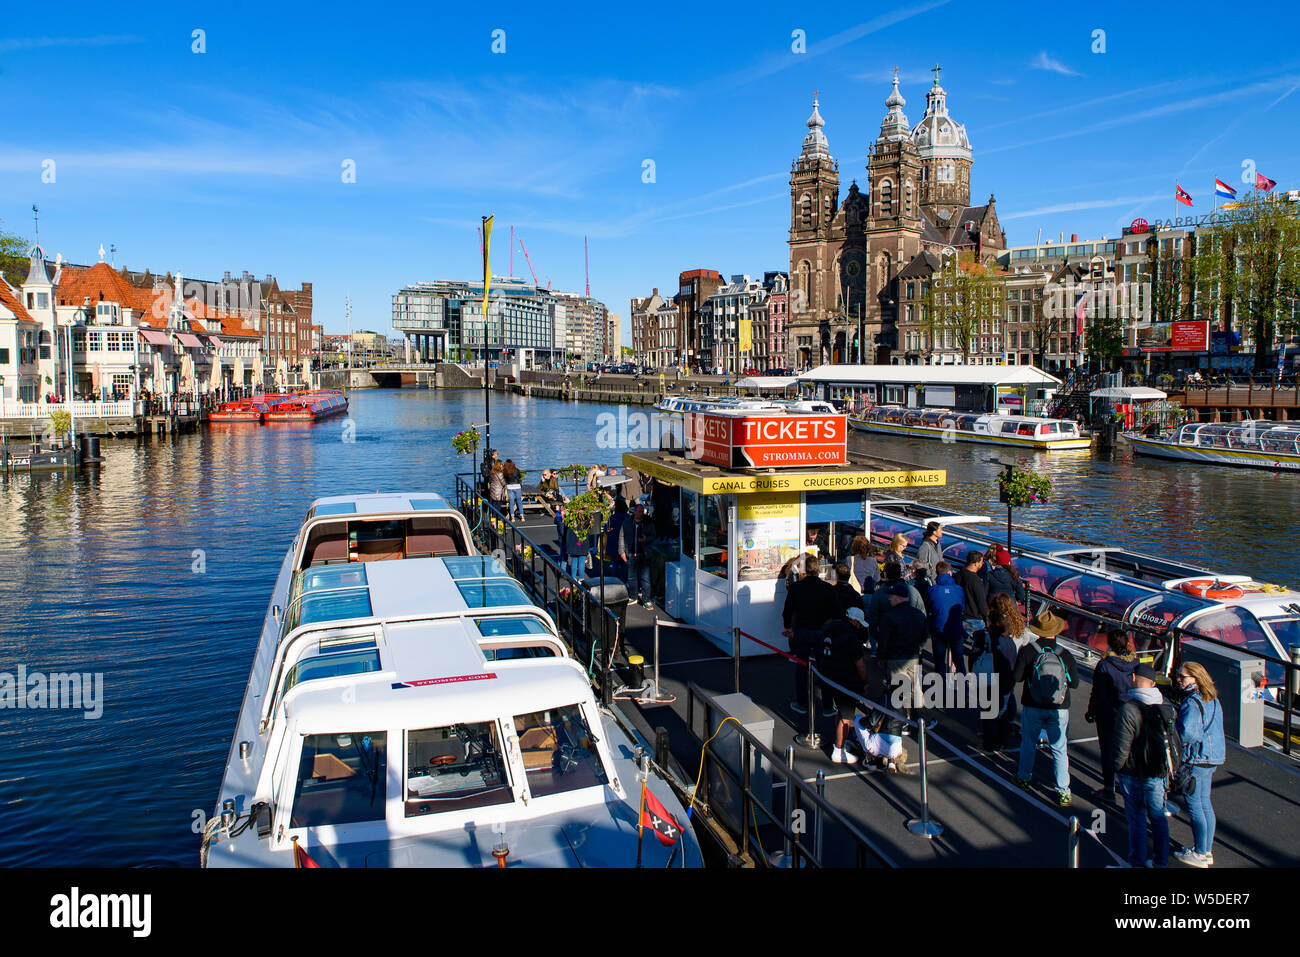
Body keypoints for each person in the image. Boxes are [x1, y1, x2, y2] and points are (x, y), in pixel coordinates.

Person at [1112, 663, 1177, 868]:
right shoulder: (1166, 706)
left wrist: (1116, 767)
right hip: (1157, 772)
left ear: (1133, 677)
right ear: (1153, 683)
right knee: (1158, 817)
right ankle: (1160, 862)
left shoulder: (1128, 708)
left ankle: (1137, 863)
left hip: (1132, 772)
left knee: (1137, 819)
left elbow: (1121, 747)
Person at [1013, 610, 1080, 807]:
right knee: (1059, 748)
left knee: (1028, 743)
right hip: (1059, 706)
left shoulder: (1028, 650)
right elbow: (1074, 683)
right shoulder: (1064, 654)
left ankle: (1024, 778)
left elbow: (1017, 677)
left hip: (1033, 704)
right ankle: (1063, 790)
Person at [870, 580, 929, 772]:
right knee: (912, 692)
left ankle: (897, 729)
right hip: (913, 658)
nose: (889, 598)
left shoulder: (889, 617)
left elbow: (883, 642)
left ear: (899, 598)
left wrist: (881, 658)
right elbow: (924, 636)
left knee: (896, 697)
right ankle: (916, 721)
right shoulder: (918, 615)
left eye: (892, 596)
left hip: (896, 660)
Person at [1172, 661, 1225, 868]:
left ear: (1194, 678)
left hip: (1196, 758)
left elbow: (1188, 733)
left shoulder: (1192, 702)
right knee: (1205, 803)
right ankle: (1206, 850)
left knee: (1195, 806)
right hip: (1212, 757)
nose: (1178, 679)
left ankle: (1200, 853)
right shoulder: (1211, 697)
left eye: (1182, 677)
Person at [1084, 629, 1138, 801]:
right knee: (1128, 750)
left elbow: (1097, 692)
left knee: (1108, 750)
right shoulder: (1135, 663)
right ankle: (1127, 786)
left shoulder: (1105, 665)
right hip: (1129, 711)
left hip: (1108, 712)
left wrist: (1091, 711)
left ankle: (1109, 788)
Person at [781, 554, 837, 716]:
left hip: (803, 632)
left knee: (801, 668)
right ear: (818, 569)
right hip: (822, 633)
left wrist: (788, 627)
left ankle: (802, 703)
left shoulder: (796, 588)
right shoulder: (828, 588)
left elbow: (787, 611)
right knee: (825, 669)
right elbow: (836, 612)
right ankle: (827, 705)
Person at [817, 607, 871, 764]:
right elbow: (860, 665)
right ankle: (839, 750)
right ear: (854, 621)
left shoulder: (829, 629)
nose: (860, 627)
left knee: (839, 712)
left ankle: (840, 741)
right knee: (846, 716)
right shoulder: (851, 638)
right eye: (859, 623)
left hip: (828, 676)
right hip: (846, 680)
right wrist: (865, 682)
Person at [975, 594, 1023, 752]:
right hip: (1008, 677)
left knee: (989, 713)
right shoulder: (1010, 637)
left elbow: (975, 656)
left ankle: (990, 742)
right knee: (1003, 710)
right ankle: (1004, 736)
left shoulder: (987, 638)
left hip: (990, 679)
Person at [927, 561, 967, 676]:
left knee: (939, 662)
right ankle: (964, 690)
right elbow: (962, 607)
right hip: (956, 628)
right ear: (950, 573)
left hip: (938, 629)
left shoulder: (932, 590)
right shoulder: (959, 589)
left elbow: (929, 608)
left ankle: (940, 690)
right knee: (959, 661)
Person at [953, 550, 991, 659]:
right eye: (981, 562)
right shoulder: (976, 581)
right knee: (981, 644)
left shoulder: (959, 575)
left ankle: (955, 666)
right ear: (976, 563)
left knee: (958, 644)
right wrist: (987, 619)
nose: (982, 564)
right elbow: (981, 602)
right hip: (974, 617)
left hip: (960, 615)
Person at [867, 562, 924, 630]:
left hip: (888, 635)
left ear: (885, 575)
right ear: (899, 574)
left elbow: (873, 619)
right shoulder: (913, 591)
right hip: (908, 634)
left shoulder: (879, 594)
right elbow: (922, 614)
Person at [619, 504, 656, 608]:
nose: (640, 513)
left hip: (644, 555)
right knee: (631, 578)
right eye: (638, 511)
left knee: (645, 579)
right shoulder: (627, 523)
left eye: (642, 511)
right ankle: (633, 597)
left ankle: (646, 600)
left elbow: (653, 536)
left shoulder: (648, 523)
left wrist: (646, 539)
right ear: (634, 511)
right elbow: (621, 536)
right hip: (631, 554)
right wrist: (621, 552)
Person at [604, 498, 628, 580]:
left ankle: (615, 582)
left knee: (615, 565)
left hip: (614, 544)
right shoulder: (628, 518)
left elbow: (606, 530)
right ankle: (625, 581)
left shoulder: (612, 518)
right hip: (625, 544)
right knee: (625, 565)